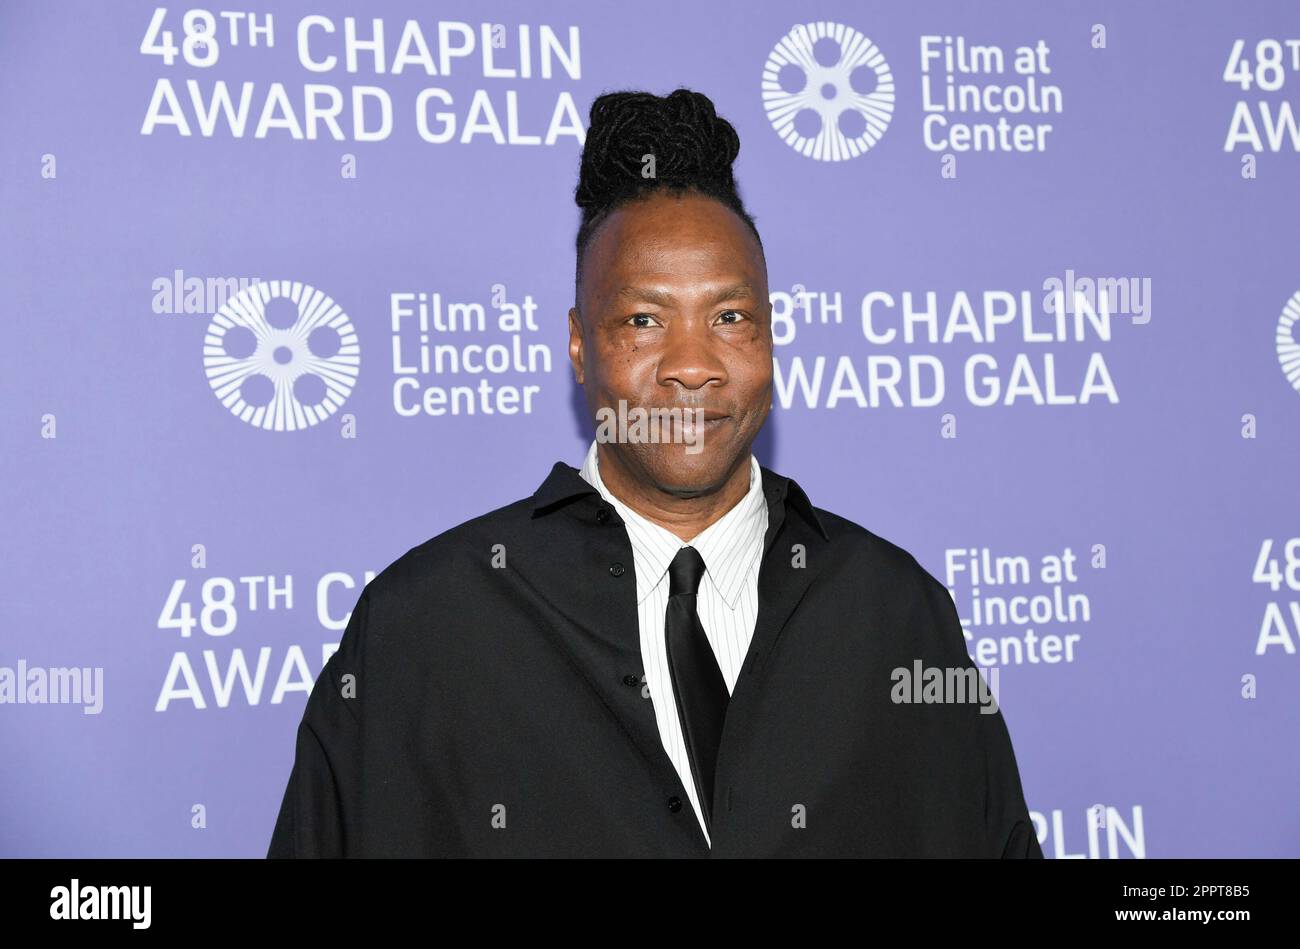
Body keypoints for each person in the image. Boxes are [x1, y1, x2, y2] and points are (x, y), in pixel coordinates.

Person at [267, 87, 1042, 858]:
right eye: (644, 320)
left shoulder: (898, 615)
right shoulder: (425, 630)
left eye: (730, 317)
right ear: (579, 345)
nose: (694, 366)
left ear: (771, 336)